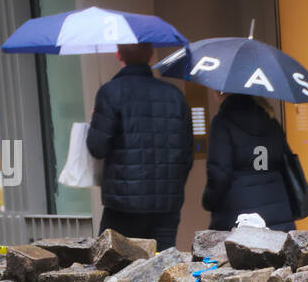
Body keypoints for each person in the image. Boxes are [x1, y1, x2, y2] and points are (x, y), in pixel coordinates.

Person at [86, 42, 194, 251]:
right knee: (162, 271)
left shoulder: (110, 92)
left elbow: (97, 148)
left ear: (118, 54)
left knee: (114, 270)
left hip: (122, 205)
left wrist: (95, 122)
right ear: (152, 56)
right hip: (166, 205)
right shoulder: (174, 96)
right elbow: (186, 154)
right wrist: (173, 187)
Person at [202, 92, 297, 231]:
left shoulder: (223, 123)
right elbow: (285, 164)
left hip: (238, 215)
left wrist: (209, 201)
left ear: (222, 92)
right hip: (277, 213)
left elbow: (220, 172)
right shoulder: (272, 122)